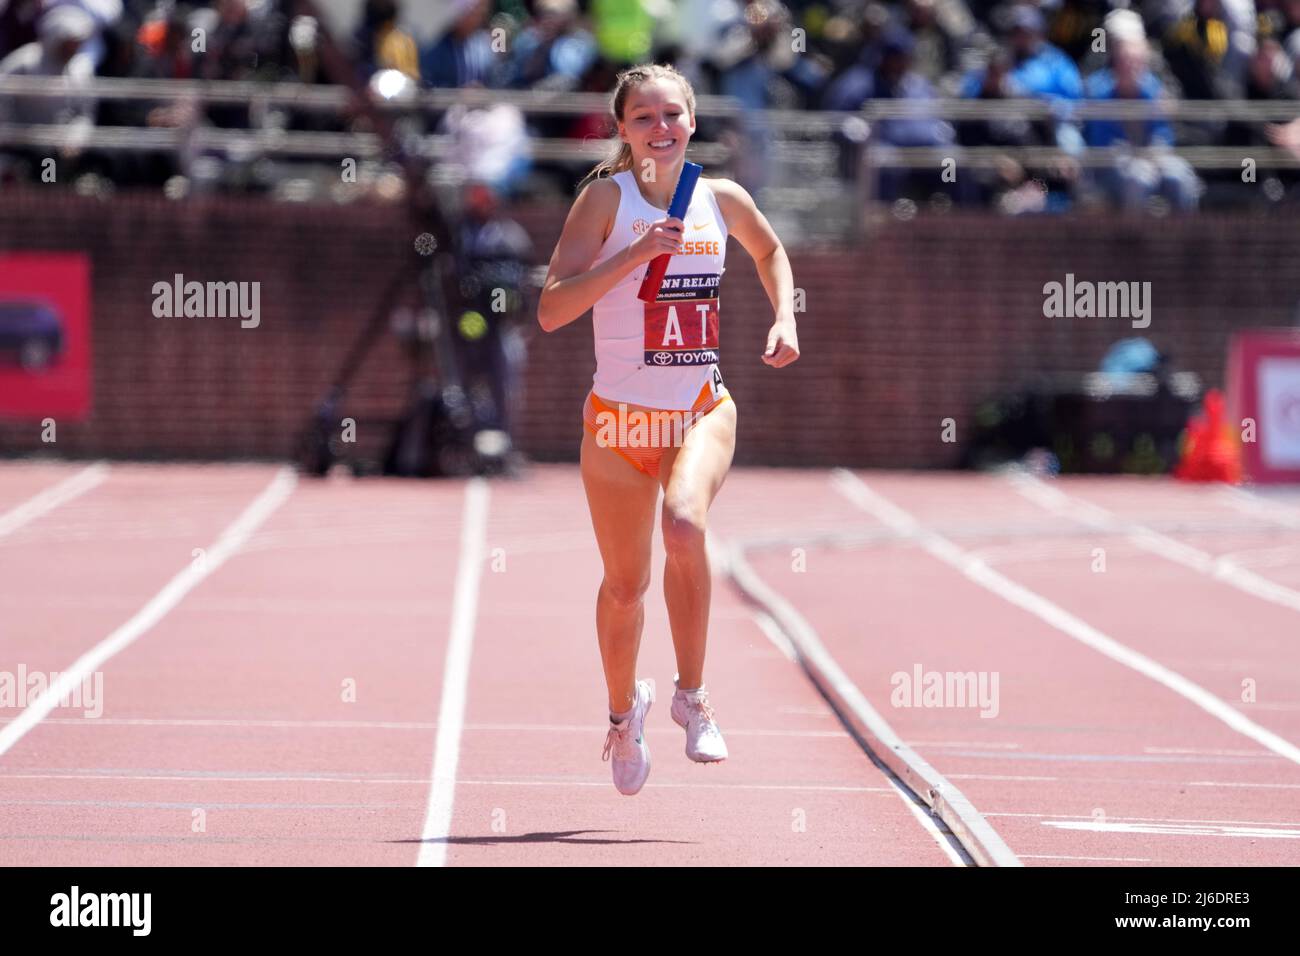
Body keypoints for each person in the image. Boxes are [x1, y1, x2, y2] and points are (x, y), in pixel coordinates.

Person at [536, 62, 799, 796]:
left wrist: (785, 316)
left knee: (684, 527)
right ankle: (624, 714)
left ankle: (693, 694)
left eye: (673, 115)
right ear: (622, 129)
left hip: (700, 409)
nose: (661, 129)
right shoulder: (602, 201)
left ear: (694, 122)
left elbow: (771, 251)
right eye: (644, 118)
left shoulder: (721, 199)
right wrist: (634, 255)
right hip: (617, 425)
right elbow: (552, 309)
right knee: (626, 586)